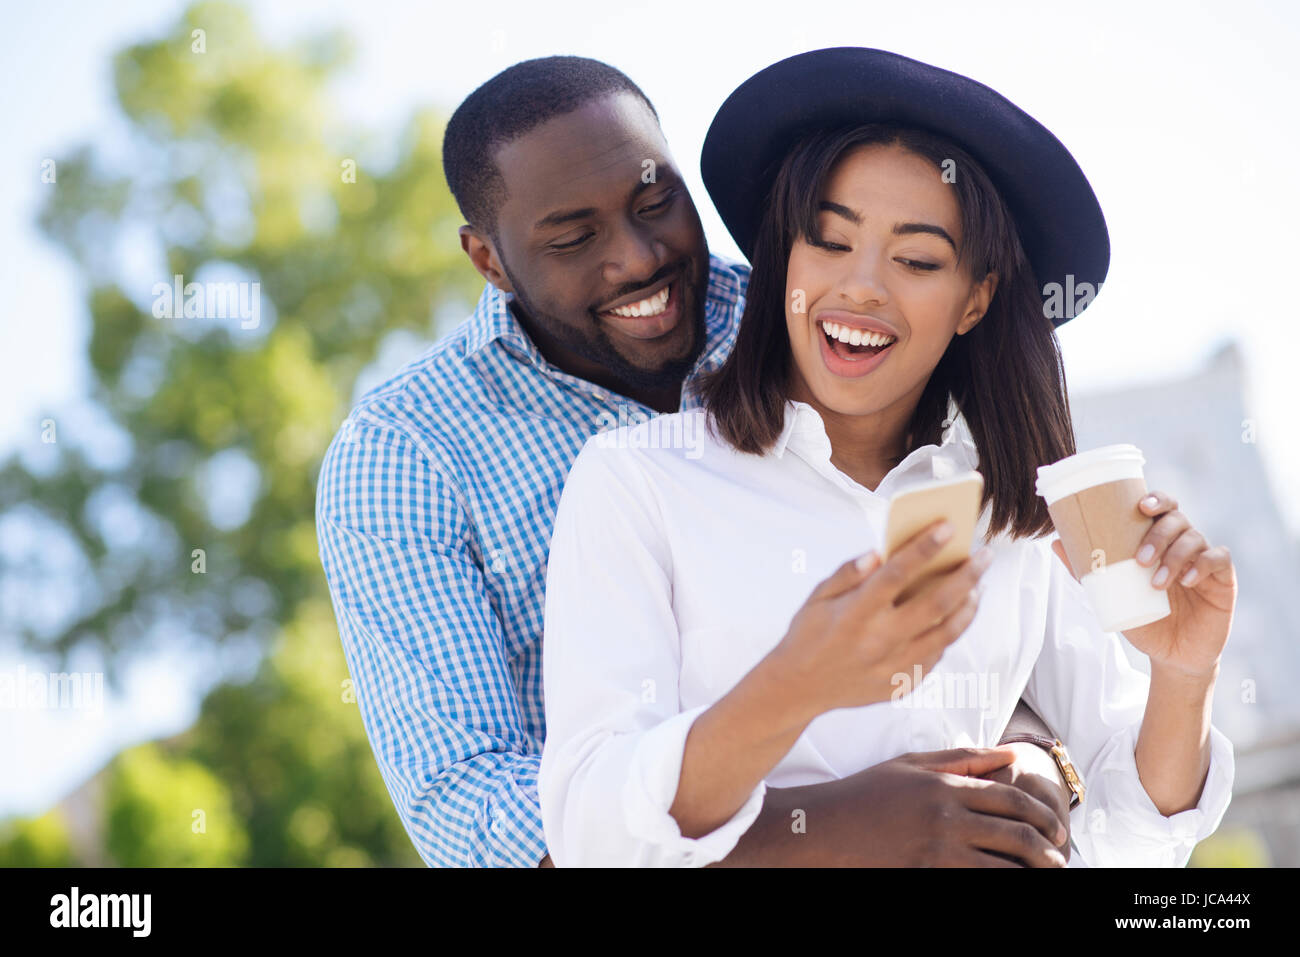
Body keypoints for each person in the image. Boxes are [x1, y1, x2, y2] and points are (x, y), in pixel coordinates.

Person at [317, 54, 1078, 869]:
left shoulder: (822, 314)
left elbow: (997, 593)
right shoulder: (404, 453)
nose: (638, 259)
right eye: (575, 238)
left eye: (656, 203)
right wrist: (836, 826)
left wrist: (1033, 760)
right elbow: (475, 816)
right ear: (488, 261)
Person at [538, 47, 1236, 867]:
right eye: (830, 241)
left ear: (974, 299)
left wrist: (1185, 674)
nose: (862, 286)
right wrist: (797, 683)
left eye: (916, 259)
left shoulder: (1010, 510)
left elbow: (1133, 841)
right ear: (784, 260)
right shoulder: (638, 481)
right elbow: (591, 835)